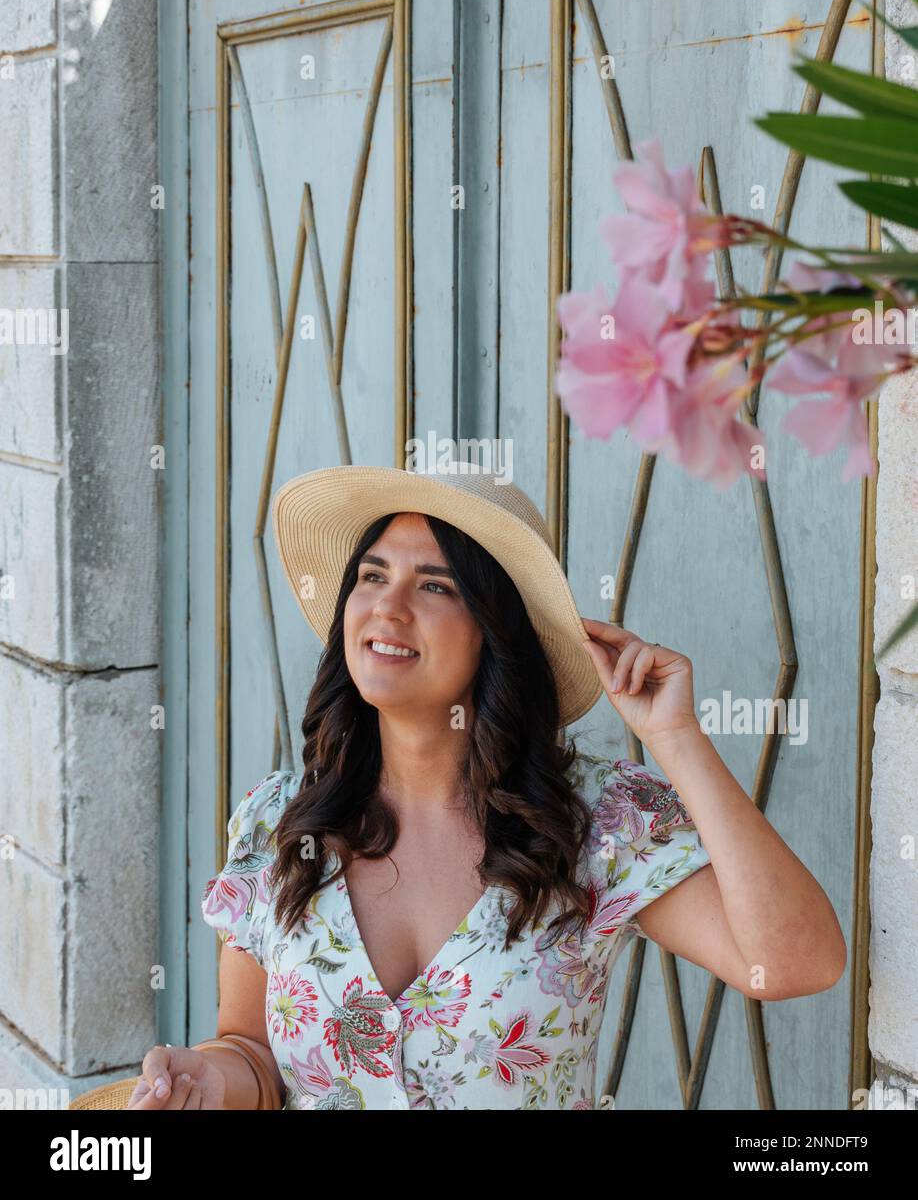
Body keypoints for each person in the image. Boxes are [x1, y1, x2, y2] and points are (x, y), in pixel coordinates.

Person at [128, 465, 847, 1110]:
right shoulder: (277, 823)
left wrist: (676, 738)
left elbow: (793, 963)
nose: (387, 605)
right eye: (372, 576)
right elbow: (251, 1053)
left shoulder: (593, 822)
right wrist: (203, 1078)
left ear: (494, 633)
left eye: (435, 585)